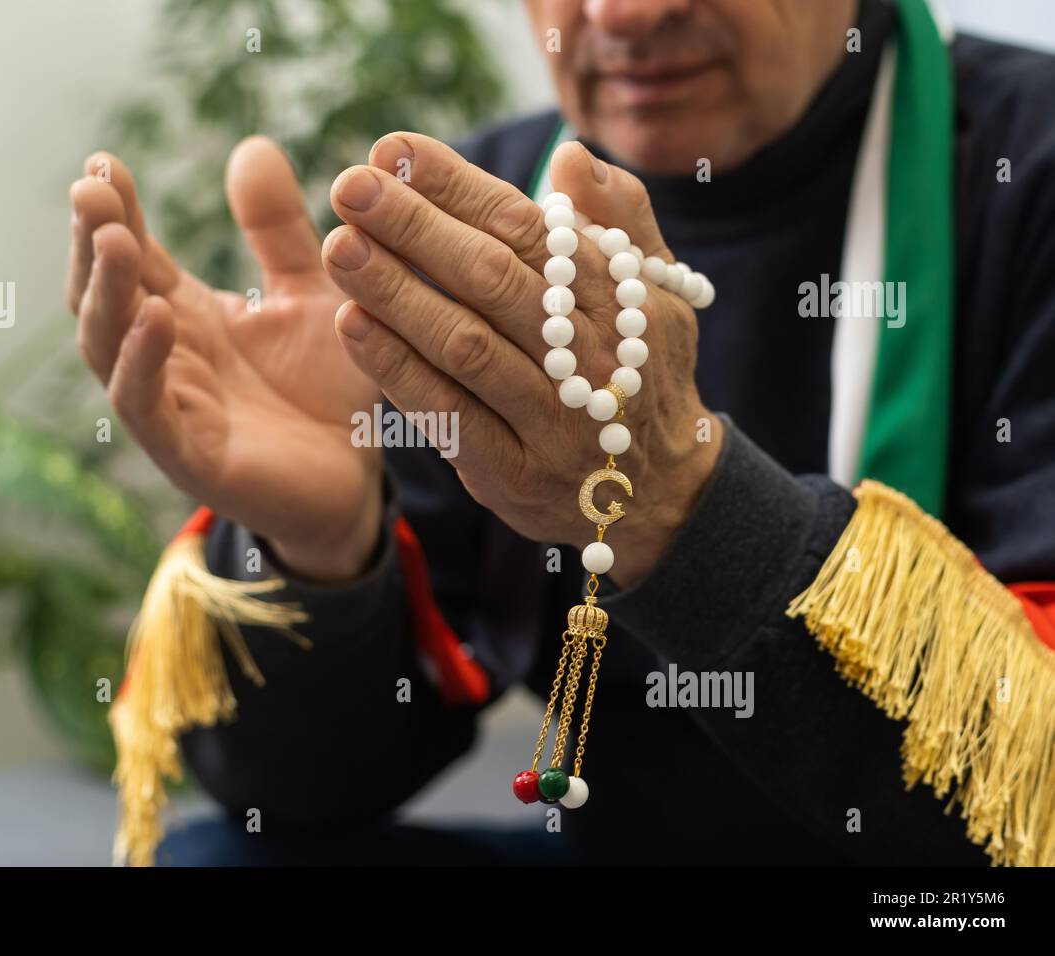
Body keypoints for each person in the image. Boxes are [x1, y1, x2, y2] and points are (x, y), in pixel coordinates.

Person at [67, 0, 1055, 867]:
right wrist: (323, 552)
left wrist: (678, 503)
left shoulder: (1028, 162)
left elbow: (1032, 794)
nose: (623, 14)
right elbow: (305, 792)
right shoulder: (486, 214)